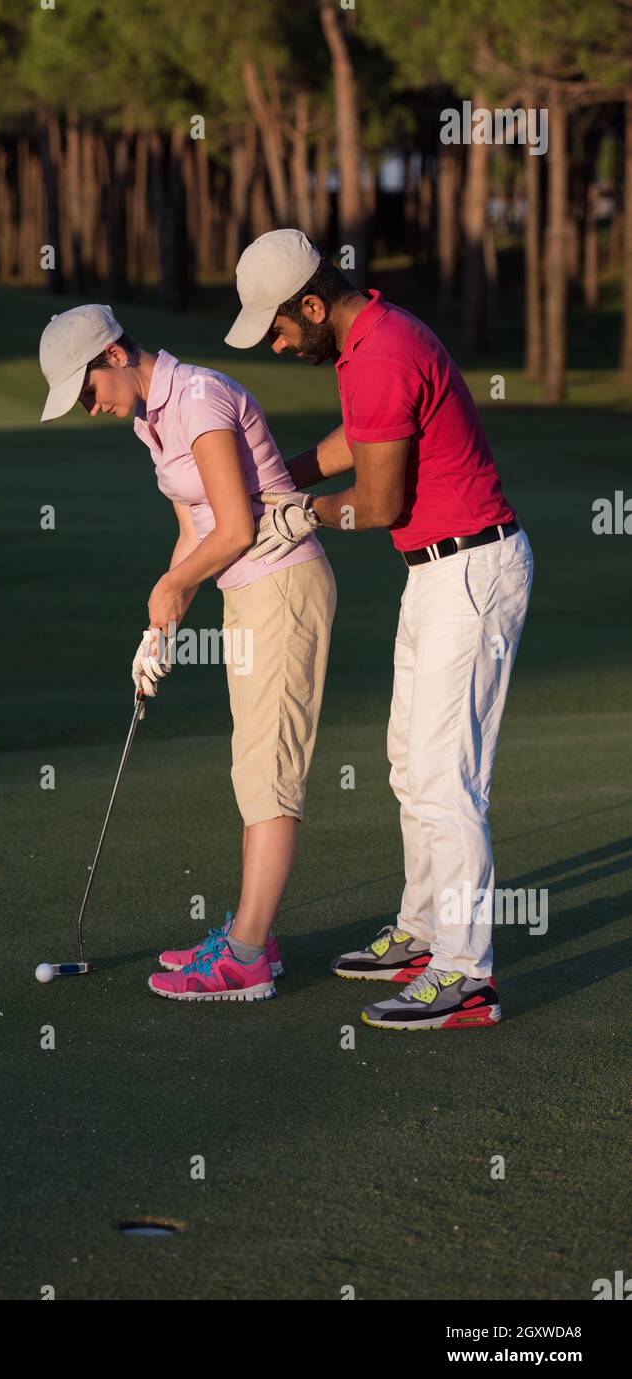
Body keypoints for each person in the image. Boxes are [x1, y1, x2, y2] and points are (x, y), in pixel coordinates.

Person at [225, 229, 533, 1030]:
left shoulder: (383, 351)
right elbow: (356, 441)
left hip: (470, 570)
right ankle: (427, 931)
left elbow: (381, 501)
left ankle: (466, 974)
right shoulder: (367, 343)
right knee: (407, 762)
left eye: (281, 328)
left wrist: (298, 516)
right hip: (436, 571)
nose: (279, 344)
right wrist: (277, 476)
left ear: (313, 304)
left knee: (444, 779)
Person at [38, 303, 337, 1002]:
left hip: (282, 585)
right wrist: (159, 631)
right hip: (247, 590)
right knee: (250, 764)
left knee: (268, 769)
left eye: (85, 391)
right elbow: (195, 529)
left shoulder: (198, 398)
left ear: (112, 355)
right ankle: (249, 936)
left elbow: (234, 528)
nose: (89, 409)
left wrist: (172, 585)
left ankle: (246, 957)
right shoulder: (153, 418)